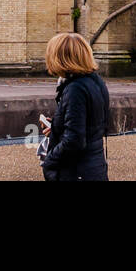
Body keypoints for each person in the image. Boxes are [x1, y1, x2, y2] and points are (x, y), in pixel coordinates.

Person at [39, 32, 111, 181]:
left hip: (77, 171)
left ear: (60, 58)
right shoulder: (96, 82)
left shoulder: (75, 89)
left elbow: (74, 140)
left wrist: (49, 161)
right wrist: (56, 128)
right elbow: (91, 124)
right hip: (94, 166)